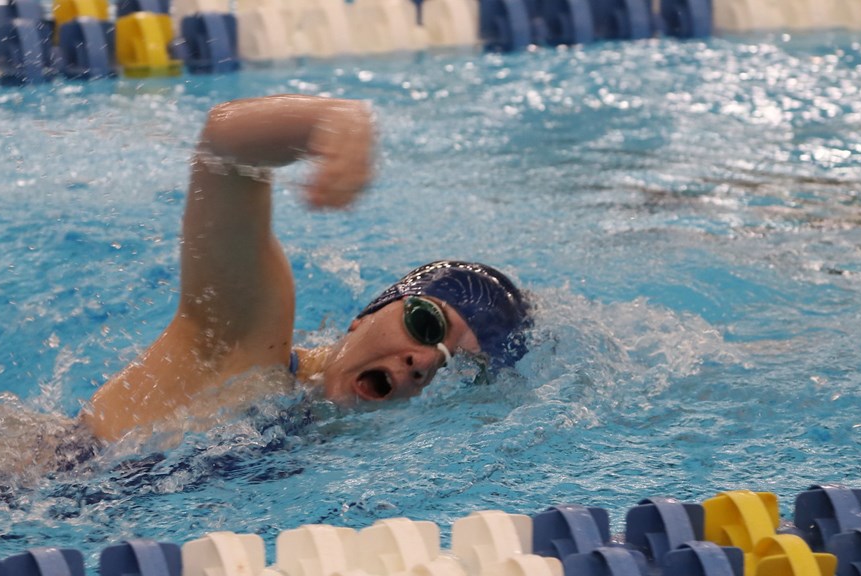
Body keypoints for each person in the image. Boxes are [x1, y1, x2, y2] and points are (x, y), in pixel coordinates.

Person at [77, 95, 531, 442]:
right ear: (369, 314)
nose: (425, 361)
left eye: (458, 370)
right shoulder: (247, 345)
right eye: (426, 323)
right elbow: (224, 144)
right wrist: (333, 121)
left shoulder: (337, 450)